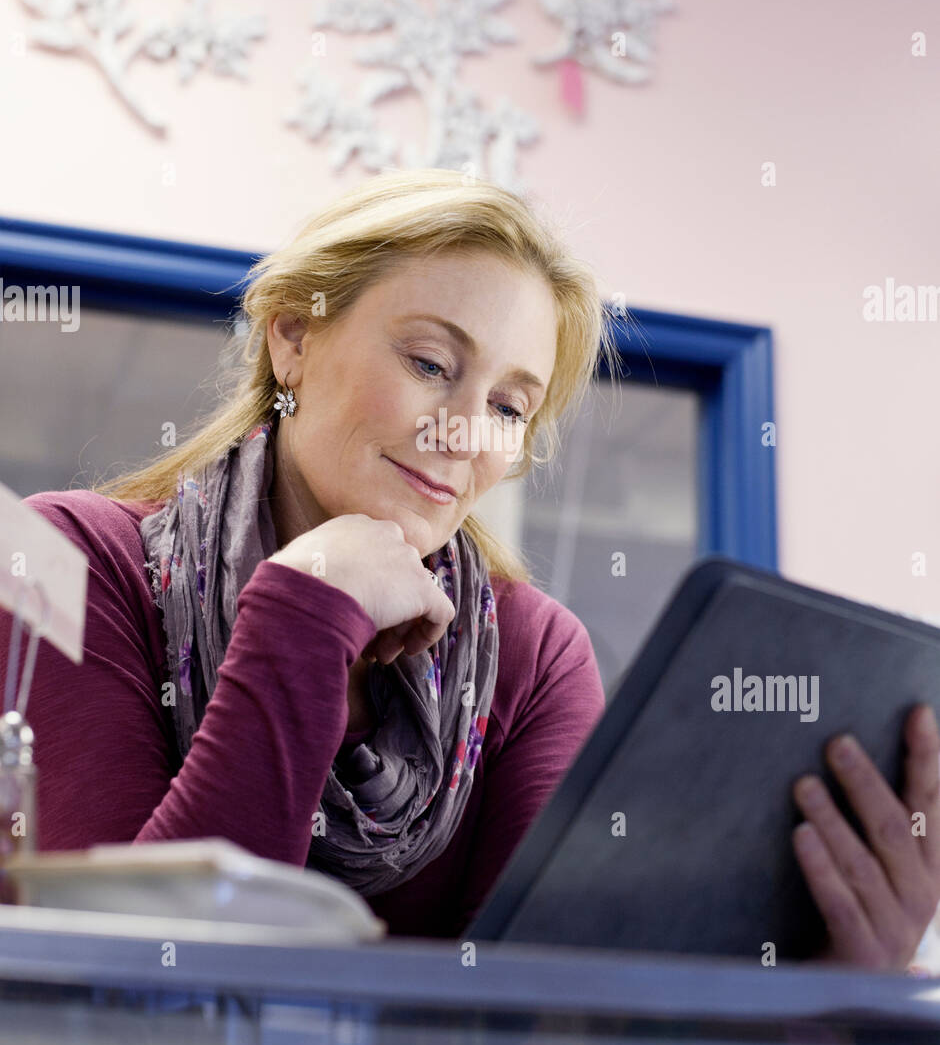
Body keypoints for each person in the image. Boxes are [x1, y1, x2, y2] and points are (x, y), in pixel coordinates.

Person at [3, 167, 939, 968]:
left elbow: (553, 1032)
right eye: (428, 361)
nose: (462, 431)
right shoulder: (74, 563)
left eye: (508, 405)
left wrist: (827, 988)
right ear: (293, 335)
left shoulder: (535, 655)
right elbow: (128, 975)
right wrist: (304, 611)